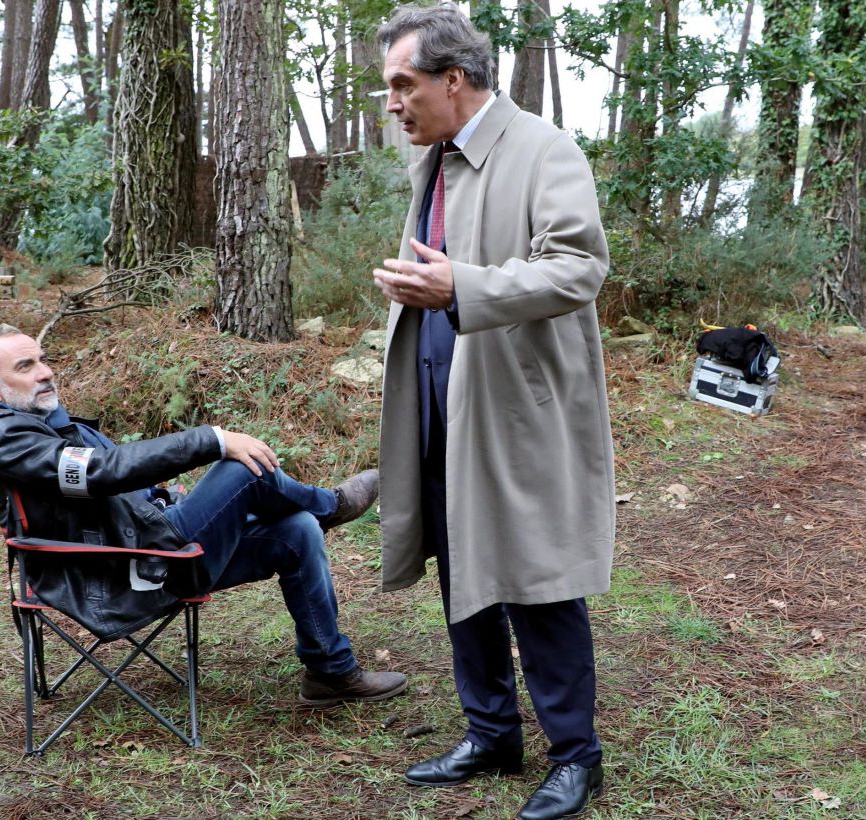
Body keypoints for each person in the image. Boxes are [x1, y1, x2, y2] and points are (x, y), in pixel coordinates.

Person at [371, 5, 616, 819]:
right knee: (459, 564)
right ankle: (490, 732)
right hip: (440, 398)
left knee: (535, 576)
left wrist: (463, 288)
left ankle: (576, 756)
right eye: (388, 89)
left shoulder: (543, 149)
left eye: (404, 85)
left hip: (518, 405)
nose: (394, 103)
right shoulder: (434, 161)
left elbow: (579, 266)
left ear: (454, 78)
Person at [0, 323, 407, 706]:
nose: (44, 372)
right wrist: (211, 439)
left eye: (42, 360)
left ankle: (330, 672)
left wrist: (163, 496)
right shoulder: (4, 440)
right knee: (240, 469)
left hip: (140, 548)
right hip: (119, 576)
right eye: (25, 367)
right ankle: (331, 505)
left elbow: (118, 485)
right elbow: (101, 472)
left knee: (297, 529)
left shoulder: (41, 422)